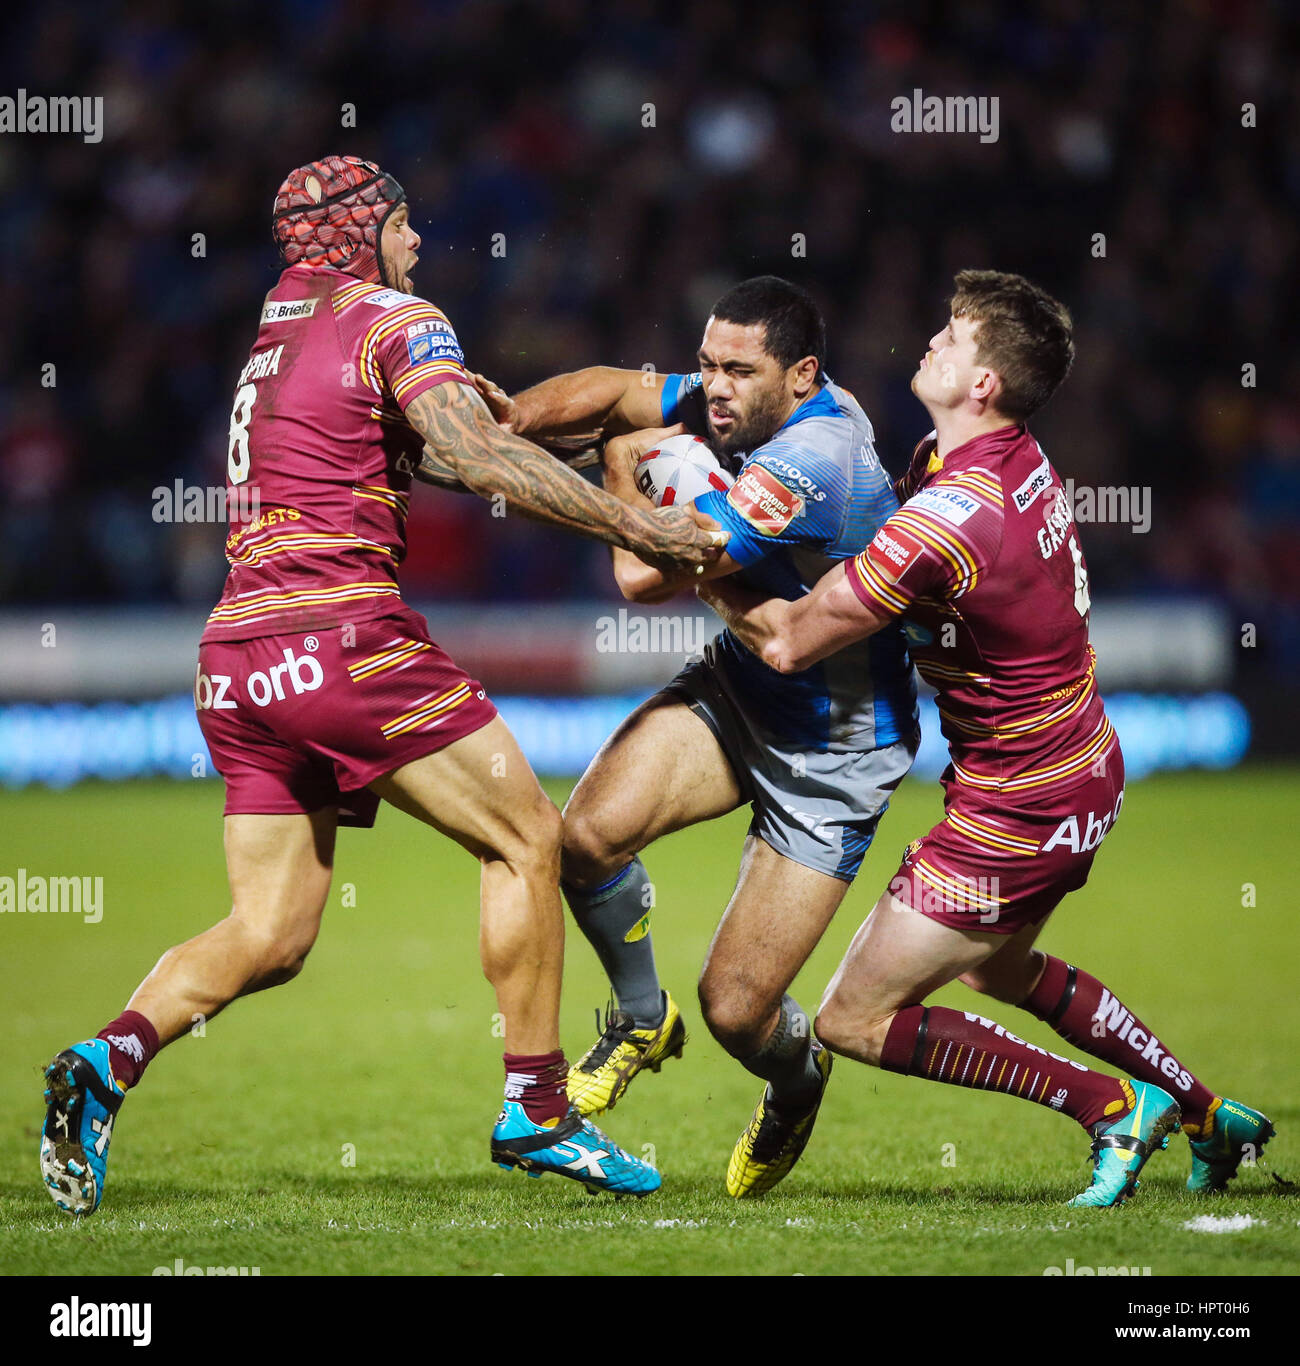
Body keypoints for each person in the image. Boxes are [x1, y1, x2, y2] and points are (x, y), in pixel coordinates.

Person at [39, 155, 726, 1215]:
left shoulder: (276, 329)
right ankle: (539, 1109)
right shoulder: (396, 316)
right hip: (342, 631)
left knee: (270, 932)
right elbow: (480, 459)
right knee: (526, 838)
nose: (416, 246)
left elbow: (448, 446)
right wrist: (639, 521)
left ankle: (105, 1060)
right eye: (406, 227)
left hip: (237, 659)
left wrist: (553, 427)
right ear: (372, 230)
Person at [699, 269, 1274, 1205]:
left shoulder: (954, 512)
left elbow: (793, 641)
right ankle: (1208, 1113)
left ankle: (1110, 1107)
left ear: (985, 386)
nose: (933, 340)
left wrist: (702, 554)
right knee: (1003, 968)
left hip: (1020, 802)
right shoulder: (991, 457)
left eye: (954, 337)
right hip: (1079, 769)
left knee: (854, 1017)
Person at [476, 276, 919, 1196]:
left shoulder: (814, 463)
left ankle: (796, 1085)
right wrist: (494, 428)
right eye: (707, 363)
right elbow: (611, 387)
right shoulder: (751, 404)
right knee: (582, 841)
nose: (712, 386)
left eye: (736, 370)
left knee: (738, 1012)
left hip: (835, 749)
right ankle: (641, 1016)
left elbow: (644, 580)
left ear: (801, 375)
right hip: (745, 686)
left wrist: (617, 467)